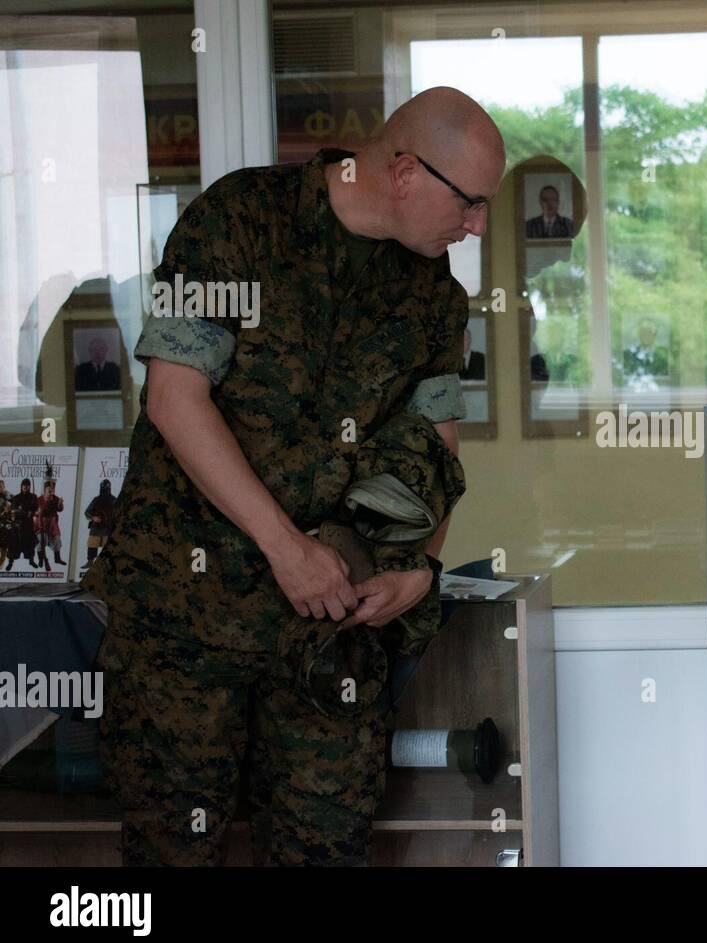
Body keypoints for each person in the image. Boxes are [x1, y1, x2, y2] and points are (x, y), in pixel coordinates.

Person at [81, 86, 505, 866]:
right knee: (175, 849)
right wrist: (286, 548)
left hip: (327, 639)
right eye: (471, 203)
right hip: (185, 616)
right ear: (404, 170)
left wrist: (419, 565)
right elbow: (176, 398)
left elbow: (437, 450)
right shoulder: (238, 222)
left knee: (325, 853)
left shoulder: (435, 297)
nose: (477, 226)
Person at [81, 478, 117, 573]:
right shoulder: (96, 500)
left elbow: (118, 513)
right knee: (92, 543)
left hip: (107, 528)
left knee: (108, 548)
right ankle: (90, 561)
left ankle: (107, 565)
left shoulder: (114, 500)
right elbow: (87, 512)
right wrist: (93, 518)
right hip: (96, 528)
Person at [4, 478, 39, 571]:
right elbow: (12, 507)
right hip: (17, 525)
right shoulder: (16, 497)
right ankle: (10, 562)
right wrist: (10, 509)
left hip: (28, 524)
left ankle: (31, 561)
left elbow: (36, 507)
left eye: (27, 485)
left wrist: (31, 511)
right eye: (24, 485)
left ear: (29, 487)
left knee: (30, 544)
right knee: (13, 544)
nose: (25, 487)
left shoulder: (33, 497)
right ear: (21, 486)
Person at [34, 477, 66, 569]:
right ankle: (41, 560)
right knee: (40, 540)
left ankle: (57, 558)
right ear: (45, 490)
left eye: (52, 489)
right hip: (41, 523)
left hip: (52, 523)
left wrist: (60, 504)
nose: (51, 491)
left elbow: (60, 509)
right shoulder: (38, 499)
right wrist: (37, 512)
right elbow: (34, 511)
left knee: (56, 539)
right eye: (49, 489)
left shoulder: (56, 499)